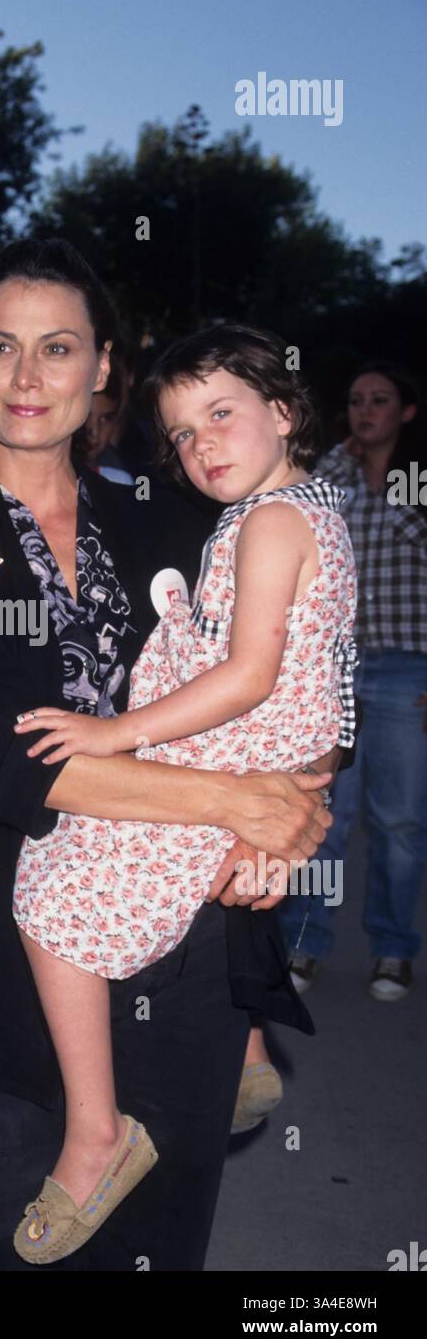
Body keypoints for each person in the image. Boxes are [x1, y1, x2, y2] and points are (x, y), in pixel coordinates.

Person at [0, 239, 334, 1271]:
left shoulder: (184, 518)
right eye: (0, 348)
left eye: (56, 348)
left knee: (157, 1250)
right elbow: (11, 766)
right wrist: (239, 803)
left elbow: (289, 660)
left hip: (193, 955)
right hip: (8, 957)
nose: (27, 378)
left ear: (102, 368)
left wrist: (305, 798)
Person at [10, 324, 357, 1262]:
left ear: (283, 413)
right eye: (182, 435)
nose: (201, 447)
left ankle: (97, 1130)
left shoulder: (275, 522)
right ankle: (244, 1048)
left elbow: (248, 675)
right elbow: (322, 679)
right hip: (258, 764)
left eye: (220, 417)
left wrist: (112, 732)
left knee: (49, 897)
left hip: (229, 757)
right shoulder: (303, 511)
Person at [280, 362, 427, 1000]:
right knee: (327, 816)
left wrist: (378, 478)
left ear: (407, 411)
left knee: (398, 822)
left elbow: (411, 532)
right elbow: (303, 512)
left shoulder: (417, 477)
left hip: (407, 665)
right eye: (356, 400)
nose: (365, 410)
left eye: (380, 400)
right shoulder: (334, 474)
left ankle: (392, 950)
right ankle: (304, 942)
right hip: (335, 664)